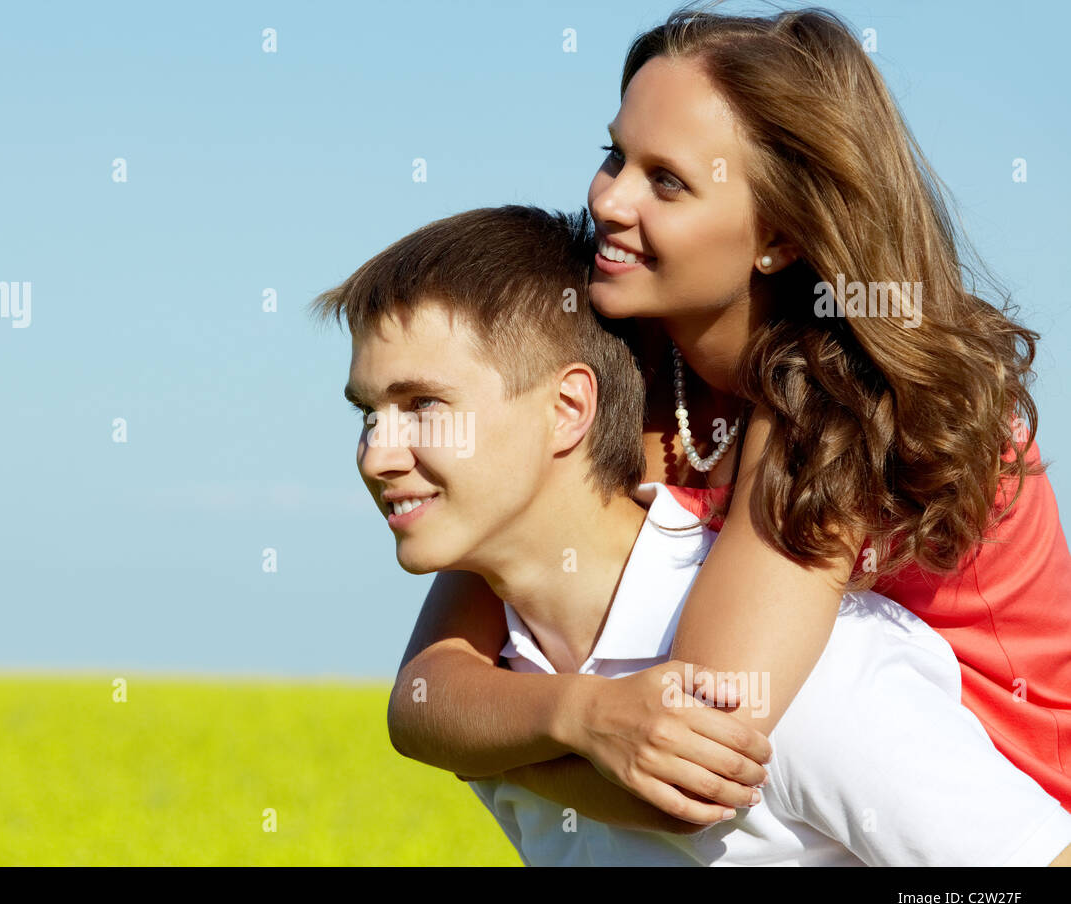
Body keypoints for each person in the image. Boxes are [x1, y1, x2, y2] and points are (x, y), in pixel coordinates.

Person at [385, 6, 1071, 825]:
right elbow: (425, 698)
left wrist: (502, 757)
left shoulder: (843, 396)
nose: (608, 199)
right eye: (614, 156)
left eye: (665, 181)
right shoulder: (618, 364)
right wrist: (580, 716)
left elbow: (695, 770)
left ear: (776, 236)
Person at [310, 203, 1071, 865]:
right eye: (367, 413)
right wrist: (575, 723)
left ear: (571, 409)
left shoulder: (815, 674)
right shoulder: (505, 687)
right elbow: (419, 708)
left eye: (425, 406)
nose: (376, 455)